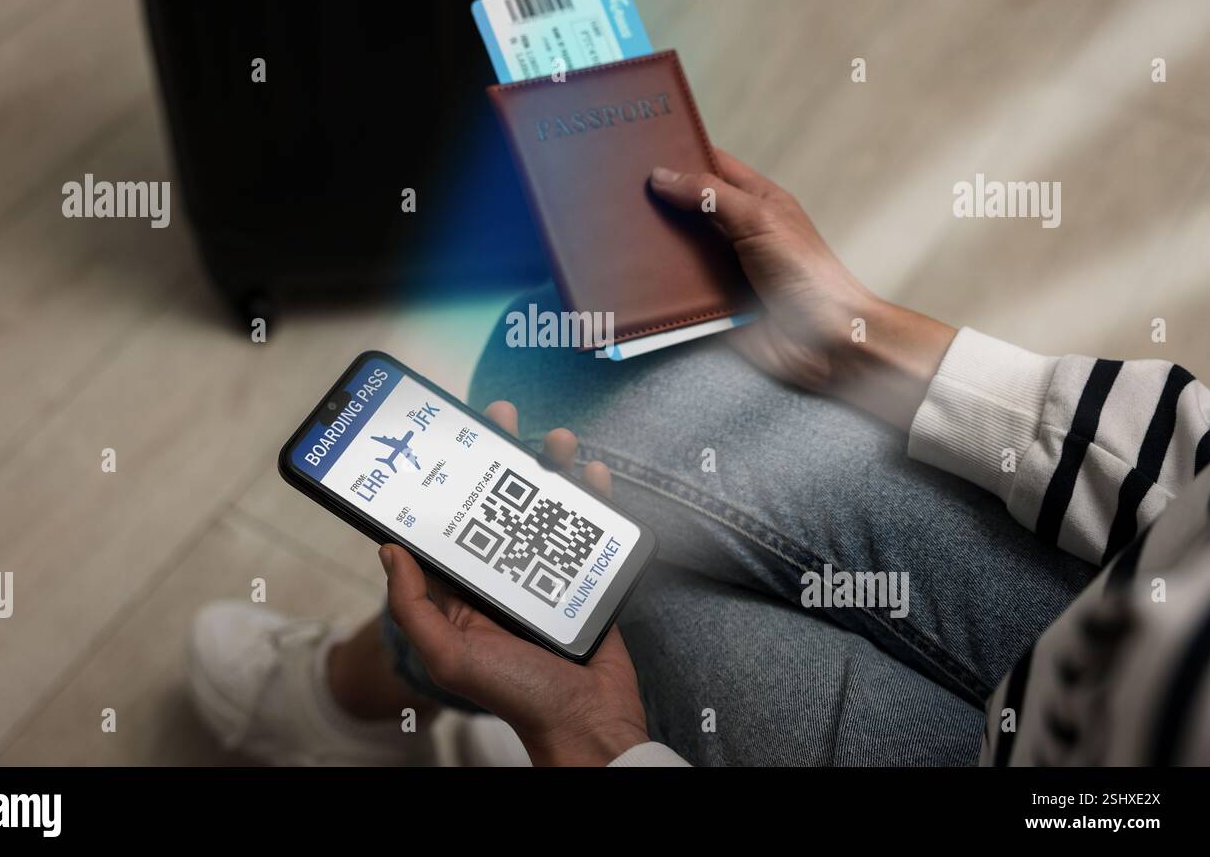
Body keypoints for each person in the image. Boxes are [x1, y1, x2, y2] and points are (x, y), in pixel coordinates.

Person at [186, 151, 1210, 766]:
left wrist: (596, 744)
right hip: (1135, 598)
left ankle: (376, 694)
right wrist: (857, 333)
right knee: (577, 352)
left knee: (585, 599)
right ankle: (429, 685)